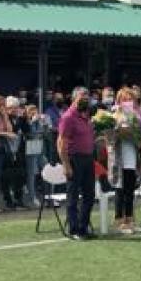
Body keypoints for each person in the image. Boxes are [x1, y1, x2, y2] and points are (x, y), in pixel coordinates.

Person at [57, 87, 96, 240]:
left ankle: (83, 227)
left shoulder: (86, 116)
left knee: (89, 195)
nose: (86, 99)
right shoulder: (68, 117)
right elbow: (61, 142)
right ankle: (73, 229)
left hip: (87, 158)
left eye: (87, 96)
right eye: (82, 97)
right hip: (74, 158)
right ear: (74, 98)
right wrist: (66, 164)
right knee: (73, 196)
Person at [108, 87, 141, 234]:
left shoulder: (136, 115)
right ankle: (119, 222)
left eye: (130, 99)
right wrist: (119, 132)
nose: (128, 101)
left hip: (132, 156)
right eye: (125, 99)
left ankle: (129, 220)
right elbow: (109, 137)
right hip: (118, 158)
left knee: (130, 190)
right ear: (119, 100)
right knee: (120, 190)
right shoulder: (113, 115)